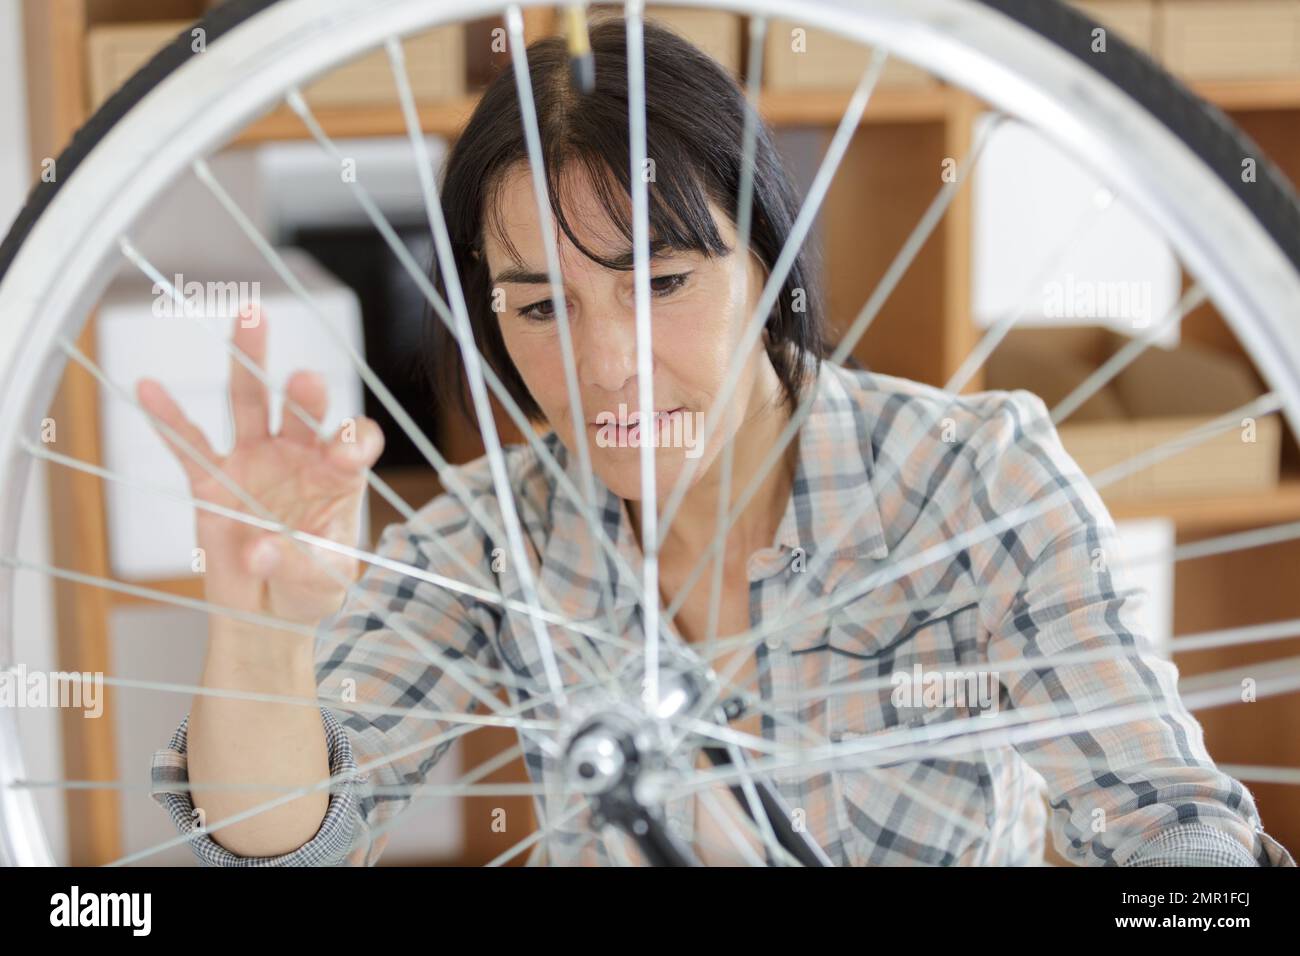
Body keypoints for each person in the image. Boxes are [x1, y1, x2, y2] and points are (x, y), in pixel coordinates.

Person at [144, 18, 1294, 867]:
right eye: (541, 307)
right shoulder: (503, 533)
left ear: (769, 267)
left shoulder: (973, 476)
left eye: (663, 282)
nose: (608, 366)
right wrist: (259, 632)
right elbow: (283, 844)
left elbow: (1168, 821)